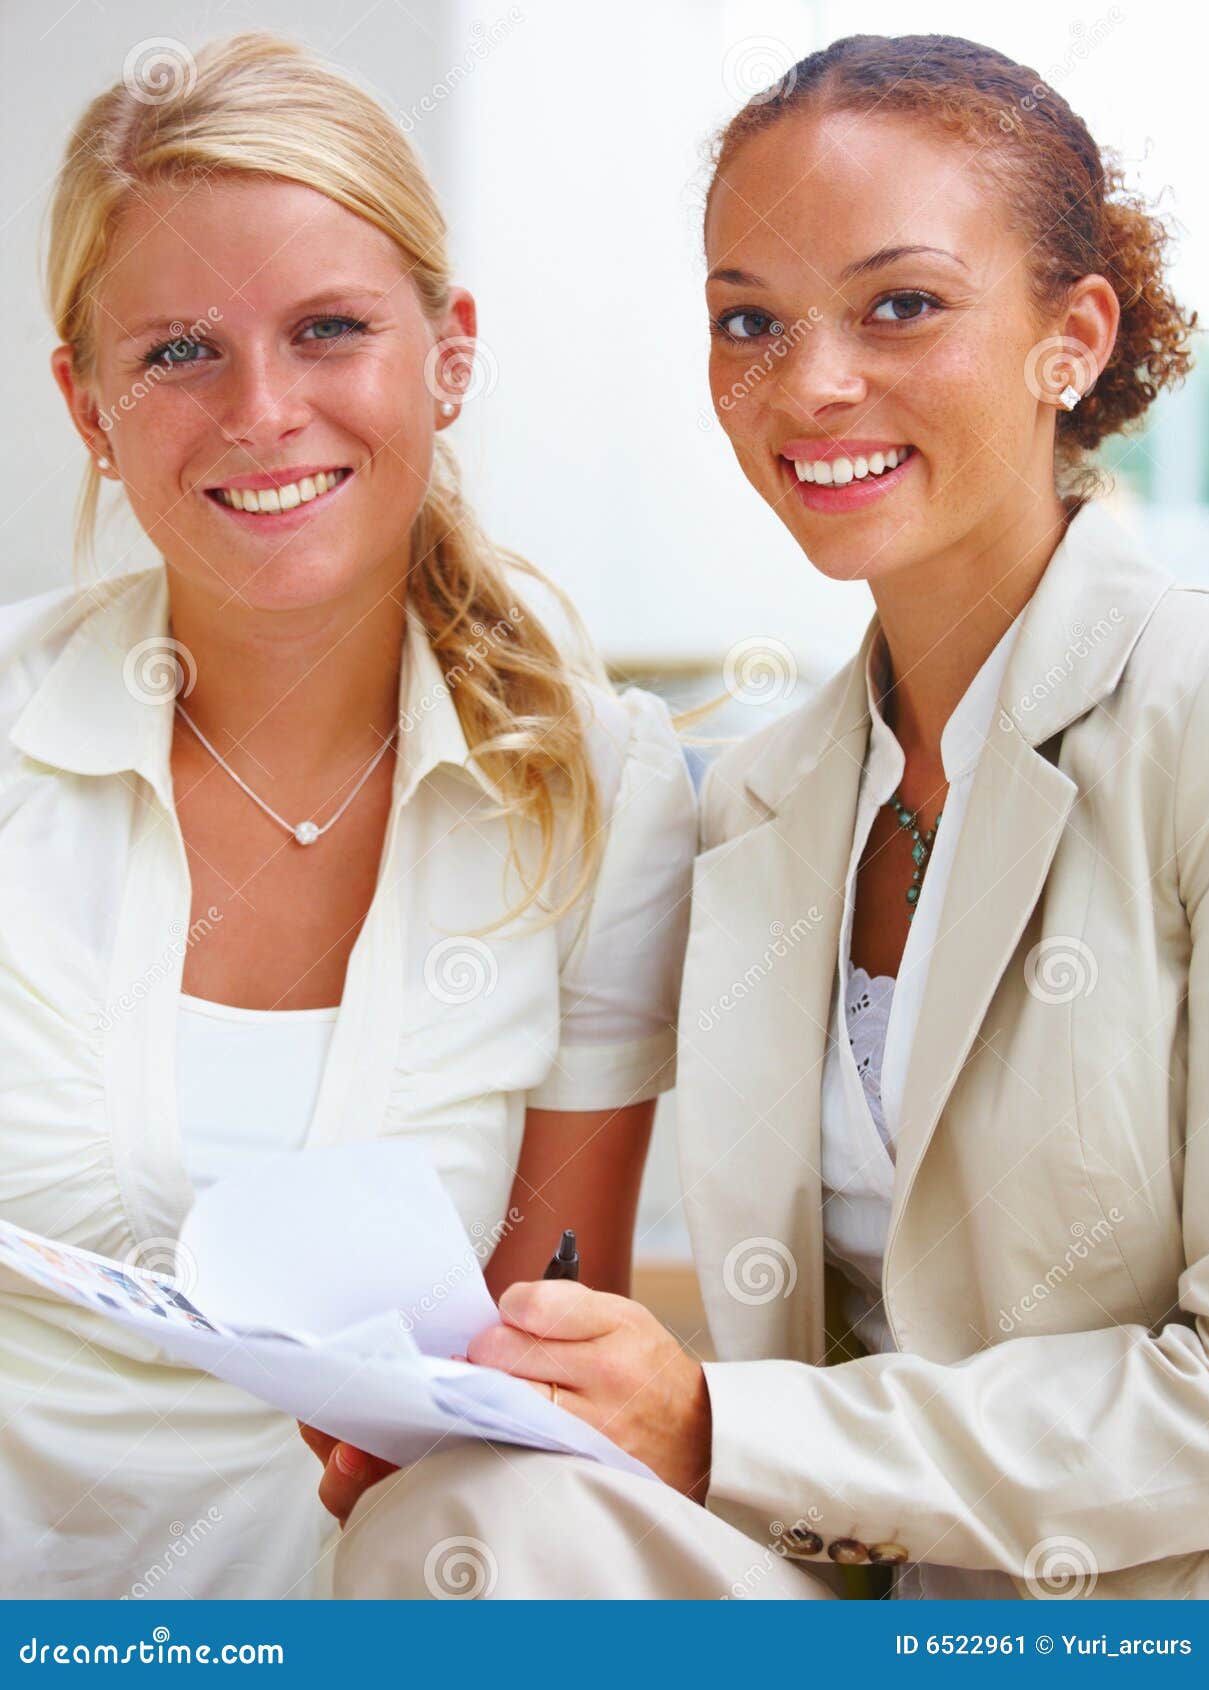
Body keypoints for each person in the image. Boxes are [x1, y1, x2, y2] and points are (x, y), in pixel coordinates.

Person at [328, 34, 1209, 1601]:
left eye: (901, 305)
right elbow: (807, 1371)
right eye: (750, 320)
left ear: (1069, 336)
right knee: (456, 1519)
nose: (809, 383)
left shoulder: (1196, 720)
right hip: (871, 1606)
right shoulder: (754, 797)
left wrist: (716, 1423)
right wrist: (526, 1403)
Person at [0, 32, 695, 1599]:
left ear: (446, 353)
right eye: (178, 350)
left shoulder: (599, 789)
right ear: (84, 399)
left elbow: (538, 1383)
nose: (263, 411)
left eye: (329, 330)